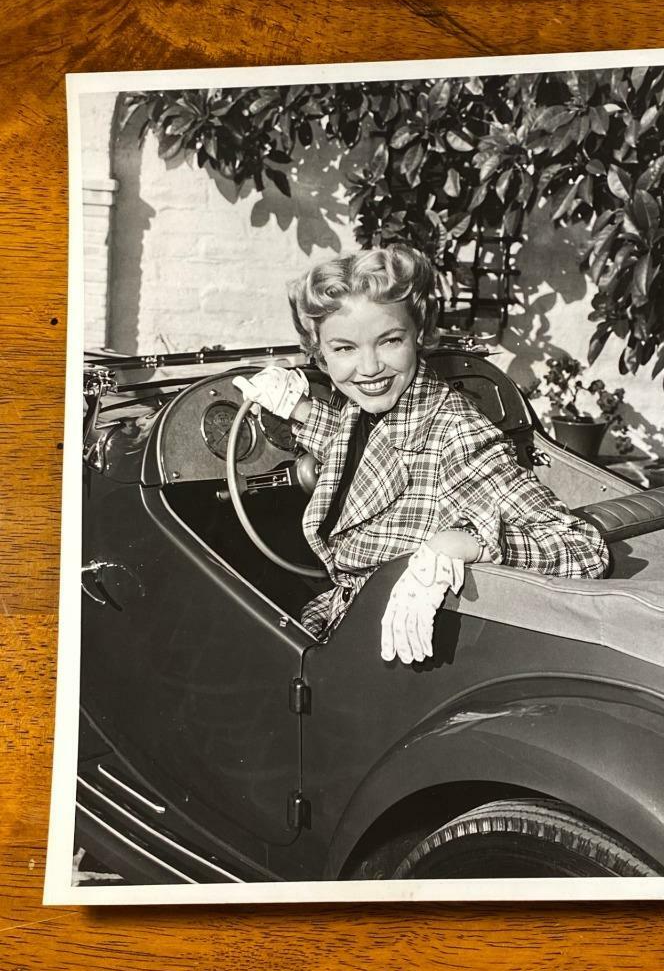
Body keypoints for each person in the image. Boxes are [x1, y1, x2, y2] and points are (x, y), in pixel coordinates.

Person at [234, 244, 609, 664]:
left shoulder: (457, 430)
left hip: (396, 640)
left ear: (419, 336)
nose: (369, 366)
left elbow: (581, 548)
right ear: (319, 354)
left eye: (389, 341)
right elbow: (371, 454)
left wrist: (467, 544)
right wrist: (299, 410)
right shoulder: (370, 406)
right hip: (355, 614)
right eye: (344, 349)